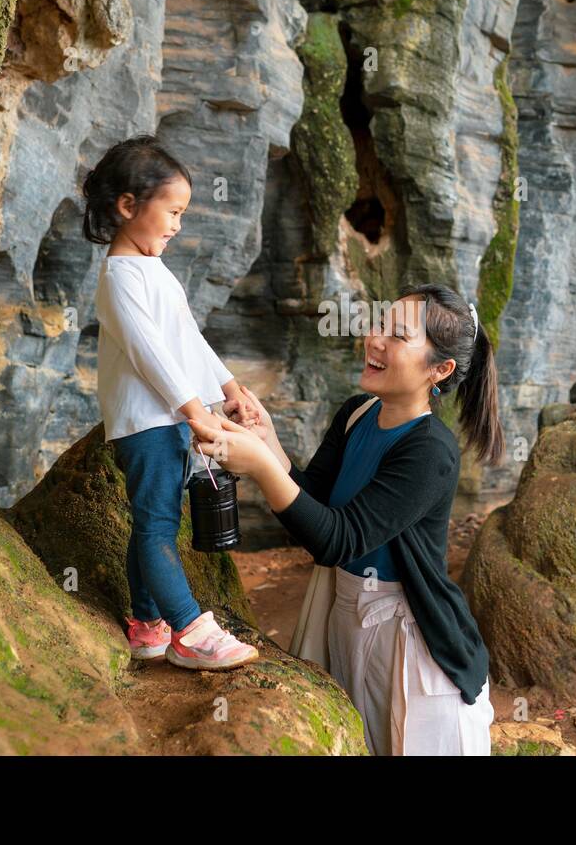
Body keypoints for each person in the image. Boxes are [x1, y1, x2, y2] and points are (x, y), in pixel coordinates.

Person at [188, 284, 505, 754]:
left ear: (439, 370)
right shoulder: (357, 413)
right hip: (345, 615)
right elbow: (316, 503)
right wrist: (268, 441)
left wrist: (258, 464)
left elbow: (339, 540)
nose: (375, 339)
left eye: (398, 335)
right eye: (380, 325)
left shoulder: (430, 450)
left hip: (408, 637)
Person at [85, 135, 259, 671]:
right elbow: (149, 352)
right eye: (173, 211)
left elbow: (186, 338)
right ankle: (190, 630)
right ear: (128, 206)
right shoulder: (119, 276)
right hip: (148, 423)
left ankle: (146, 624)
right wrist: (195, 412)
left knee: (152, 523)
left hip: (169, 419)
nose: (178, 225)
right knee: (157, 526)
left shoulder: (152, 270)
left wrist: (228, 388)